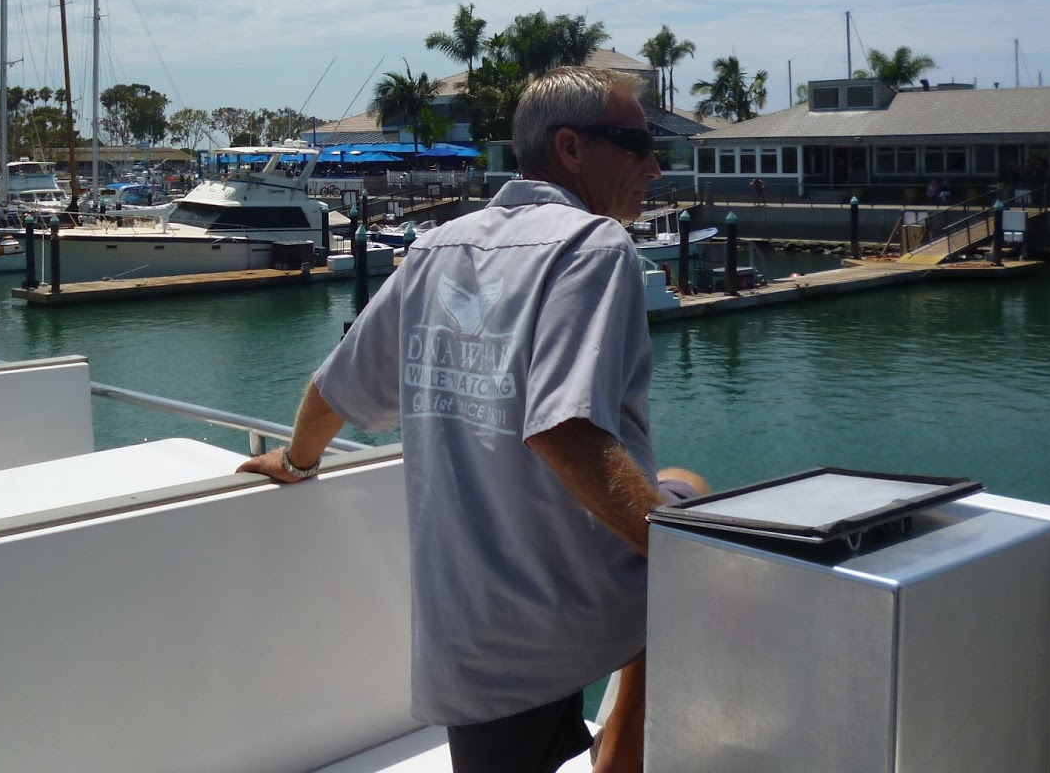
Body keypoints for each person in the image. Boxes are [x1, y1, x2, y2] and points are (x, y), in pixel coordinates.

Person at [238, 66, 708, 773]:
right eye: (637, 143)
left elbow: (333, 390)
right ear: (572, 149)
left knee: (671, 494)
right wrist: (693, 562)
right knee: (690, 512)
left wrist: (295, 462)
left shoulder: (434, 250)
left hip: (468, 644)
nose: (653, 165)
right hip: (570, 616)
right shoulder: (595, 245)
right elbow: (562, 430)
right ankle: (621, 757)